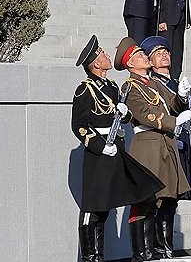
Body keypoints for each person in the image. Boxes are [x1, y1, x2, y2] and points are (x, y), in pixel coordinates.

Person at [70, 36, 162, 262]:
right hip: (99, 154)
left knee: (146, 191)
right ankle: (92, 257)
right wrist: (101, 147)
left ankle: (143, 253)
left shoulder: (112, 87)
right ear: (95, 63)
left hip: (117, 149)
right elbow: (79, 126)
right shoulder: (84, 90)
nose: (107, 57)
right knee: (95, 208)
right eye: (102, 55)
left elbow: (124, 117)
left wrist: (124, 112)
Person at [117, 37, 191, 262]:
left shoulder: (154, 83)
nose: (144, 56)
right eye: (140, 55)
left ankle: (157, 251)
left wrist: (181, 95)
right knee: (146, 200)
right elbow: (143, 114)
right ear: (130, 63)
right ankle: (142, 254)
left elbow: (173, 103)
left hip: (164, 144)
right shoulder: (130, 86)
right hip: (147, 146)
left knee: (165, 199)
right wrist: (173, 122)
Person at [141, 36, 191, 258]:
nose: (165, 55)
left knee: (171, 200)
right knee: (160, 199)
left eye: (167, 52)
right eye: (158, 53)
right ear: (150, 61)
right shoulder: (151, 84)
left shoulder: (174, 82)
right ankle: (156, 250)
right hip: (163, 144)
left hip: (180, 144)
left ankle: (166, 248)